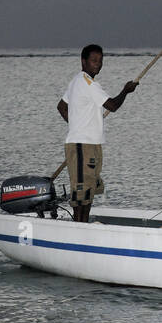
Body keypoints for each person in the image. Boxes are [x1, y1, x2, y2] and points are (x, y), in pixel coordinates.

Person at [57, 44, 138, 222]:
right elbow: (112, 106)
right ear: (83, 61)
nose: (98, 65)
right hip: (82, 145)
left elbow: (62, 107)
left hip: (91, 144)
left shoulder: (76, 80)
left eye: (100, 61)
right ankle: (79, 229)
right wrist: (126, 91)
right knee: (81, 195)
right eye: (94, 61)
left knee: (88, 191)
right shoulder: (88, 83)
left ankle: (83, 227)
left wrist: (79, 123)